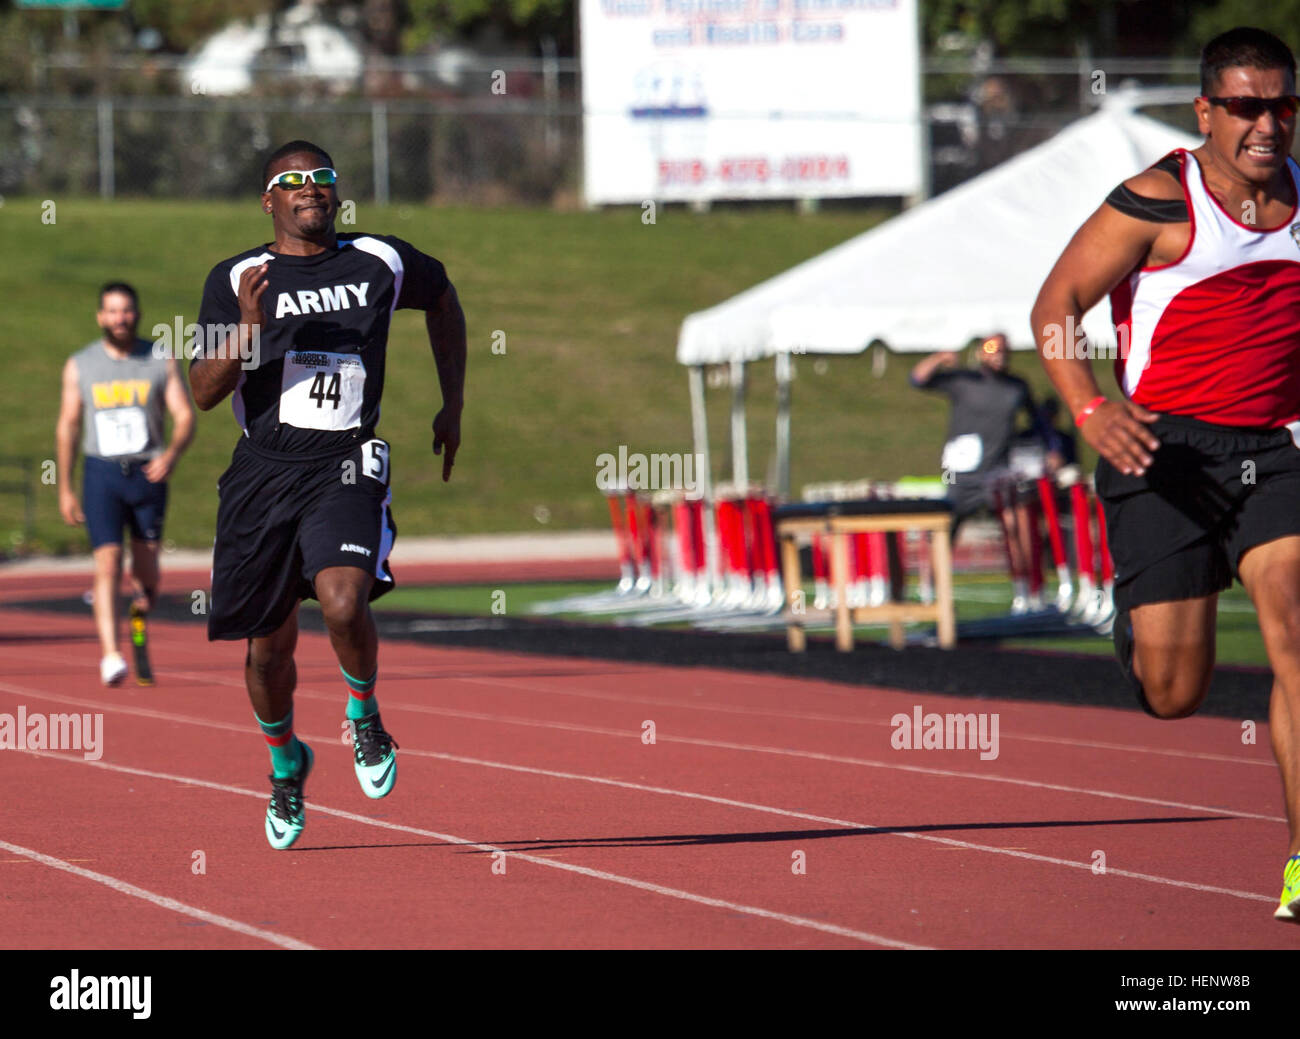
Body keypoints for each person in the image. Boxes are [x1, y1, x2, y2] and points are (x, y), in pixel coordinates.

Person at [1031, 27, 1300, 922]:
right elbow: (1056, 305)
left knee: (1294, 632)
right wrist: (1090, 408)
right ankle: (1140, 629)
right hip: (1161, 450)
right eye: (1246, 106)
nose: (1267, 123)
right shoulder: (1157, 200)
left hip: (1276, 449)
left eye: (1283, 104)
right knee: (1176, 692)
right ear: (1207, 111)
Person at [191, 140, 466, 850]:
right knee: (265, 652)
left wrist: (452, 403)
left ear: (335, 193)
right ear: (269, 200)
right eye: (293, 180)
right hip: (262, 473)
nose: (309, 188)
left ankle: (365, 716)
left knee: (343, 600)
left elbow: (443, 297)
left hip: (345, 460)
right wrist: (251, 328)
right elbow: (200, 391)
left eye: (321, 178)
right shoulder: (237, 277)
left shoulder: (379, 260)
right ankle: (287, 763)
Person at [55, 283, 195, 686]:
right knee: (108, 562)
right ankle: (111, 655)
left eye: (127, 311)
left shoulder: (159, 359)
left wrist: (170, 455)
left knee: (147, 568)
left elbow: (184, 416)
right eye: (112, 311)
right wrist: (64, 487)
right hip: (101, 473)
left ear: (137, 314)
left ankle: (141, 604)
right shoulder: (80, 365)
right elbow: (67, 426)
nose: (120, 318)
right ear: (100, 316)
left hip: (148, 473)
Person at [910, 333, 1046, 611]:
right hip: (960, 473)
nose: (999, 355)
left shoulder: (1016, 387)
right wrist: (939, 358)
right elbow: (917, 379)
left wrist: (1049, 452)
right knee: (946, 529)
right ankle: (929, 590)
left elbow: (1038, 423)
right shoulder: (964, 381)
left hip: (997, 472)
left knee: (1014, 528)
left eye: (1004, 350)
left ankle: (1025, 591)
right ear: (981, 352)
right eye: (992, 349)